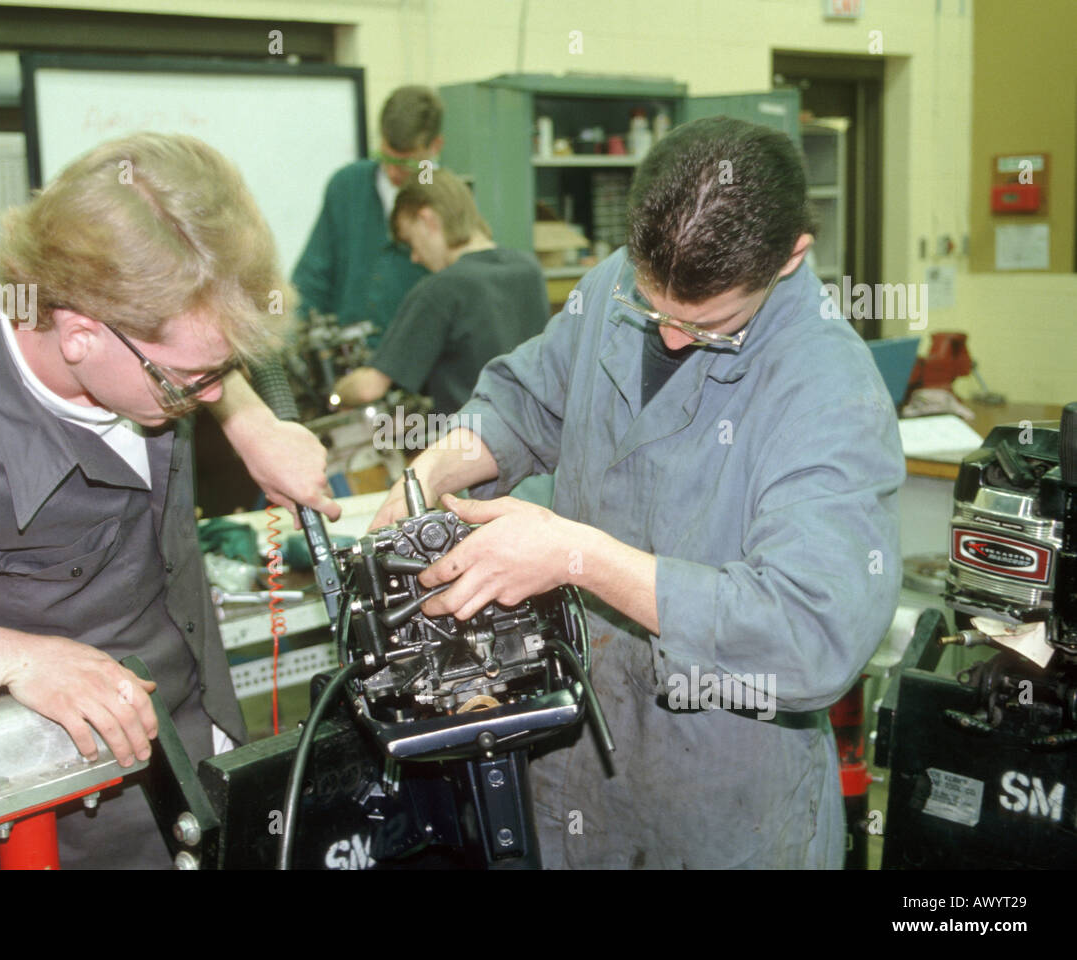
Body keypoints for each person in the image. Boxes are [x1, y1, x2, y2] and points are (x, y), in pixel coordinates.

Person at [0, 133, 339, 869]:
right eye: (193, 381)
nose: (204, 394)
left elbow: (187, 336)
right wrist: (17, 660)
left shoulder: (97, 295)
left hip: (195, 742)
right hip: (56, 819)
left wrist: (252, 418)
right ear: (79, 336)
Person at [368, 116, 905, 869]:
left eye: (708, 325)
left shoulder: (830, 392)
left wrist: (577, 557)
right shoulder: (616, 283)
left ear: (791, 257)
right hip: (578, 758)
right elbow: (528, 400)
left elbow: (813, 631)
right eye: (655, 309)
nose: (673, 338)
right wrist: (430, 471)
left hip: (722, 792)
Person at [332, 169, 550, 416]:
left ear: (428, 220)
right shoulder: (528, 268)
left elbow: (369, 388)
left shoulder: (440, 289)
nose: (414, 257)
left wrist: (336, 395)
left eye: (411, 242)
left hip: (470, 444)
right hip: (533, 439)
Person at [291, 85, 444, 347]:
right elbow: (312, 277)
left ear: (436, 146)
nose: (395, 172)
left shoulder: (446, 202)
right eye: (387, 157)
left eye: (407, 163)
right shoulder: (347, 186)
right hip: (347, 359)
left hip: (415, 361)